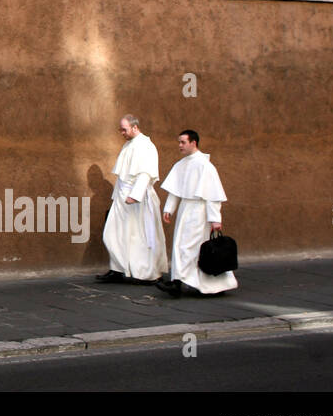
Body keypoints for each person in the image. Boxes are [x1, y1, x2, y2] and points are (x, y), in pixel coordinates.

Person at [157, 130, 238, 297]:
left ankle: (180, 283)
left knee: (192, 248)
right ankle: (180, 281)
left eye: (183, 142)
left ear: (193, 143)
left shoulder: (205, 166)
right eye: (179, 142)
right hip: (185, 209)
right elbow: (175, 190)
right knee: (181, 245)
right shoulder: (181, 165)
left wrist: (215, 219)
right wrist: (169, 208)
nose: (179, 146)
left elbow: (212, 195)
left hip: (199, 212)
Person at [96, 115, 169, 284]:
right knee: (114, 233)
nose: (121, 132)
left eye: (124, 129)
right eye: (121, 129)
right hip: (122, 197)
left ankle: (146, 273)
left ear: (135, 127)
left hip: (137, 199)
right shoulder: (129, 145)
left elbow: (144, 173)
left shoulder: (145, 146)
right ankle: (118, 268)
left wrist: (135, 196)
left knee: (139, 236)